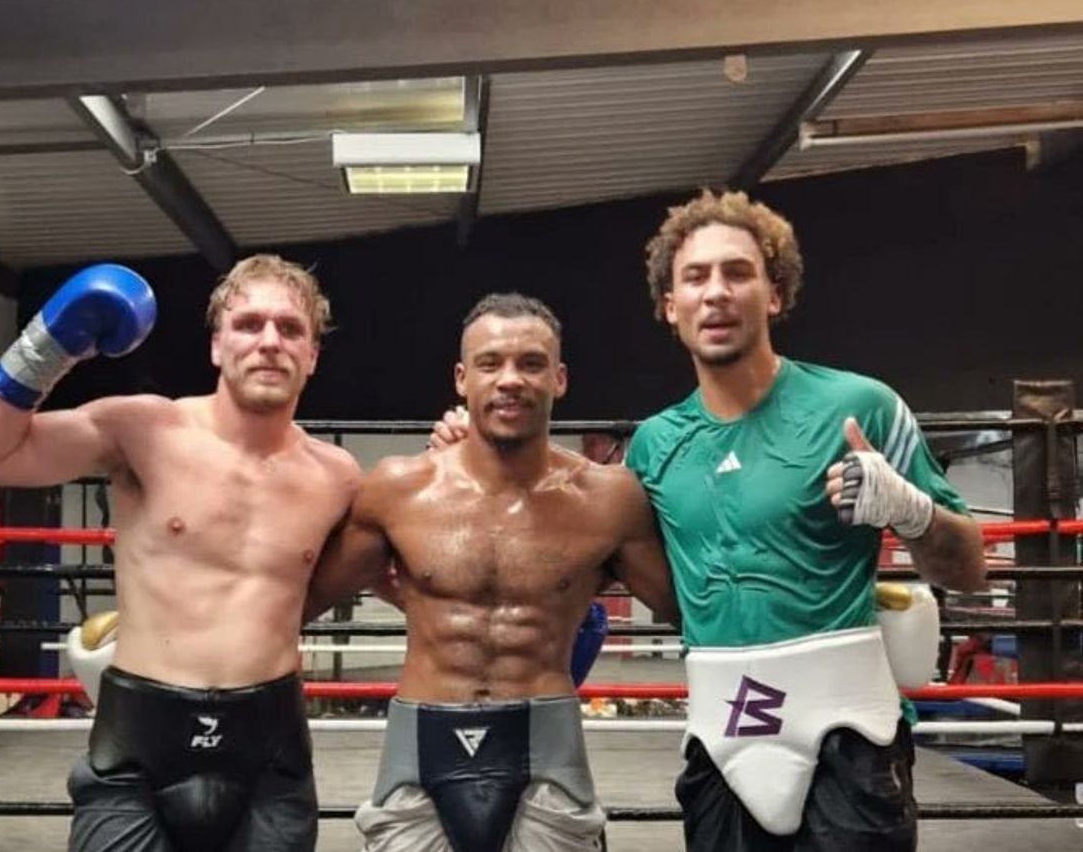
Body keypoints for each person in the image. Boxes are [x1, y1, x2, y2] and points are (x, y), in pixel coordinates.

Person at [0, 255, 359, 852]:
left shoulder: (337, 476)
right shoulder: (143, 429)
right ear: (217, 345)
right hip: (139, 745)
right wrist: (47, 346)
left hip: (269, 754)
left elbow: (400, 552)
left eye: (290, 328)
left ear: (312, 354)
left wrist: (455, 439)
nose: (270, 341)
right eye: (249, 324)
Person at [628, 190, 987, 851]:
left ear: (774, 293)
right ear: (670, 305)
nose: (716, 292)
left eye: (737, 272)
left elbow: (967, 569)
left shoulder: (860, 406)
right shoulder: (653, 446)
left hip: (850, 737)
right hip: (722, 736)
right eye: (696, 277)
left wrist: (909, 510)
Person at [304, 292, 679, 852]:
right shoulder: (398, 489)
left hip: (547, 750)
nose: (510, 379)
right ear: (462, 379)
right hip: (420, 744)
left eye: (531, 363)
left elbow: (693, 613)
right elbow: (296, 600)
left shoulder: (608, 500)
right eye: (490, 363)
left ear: (559, 379)